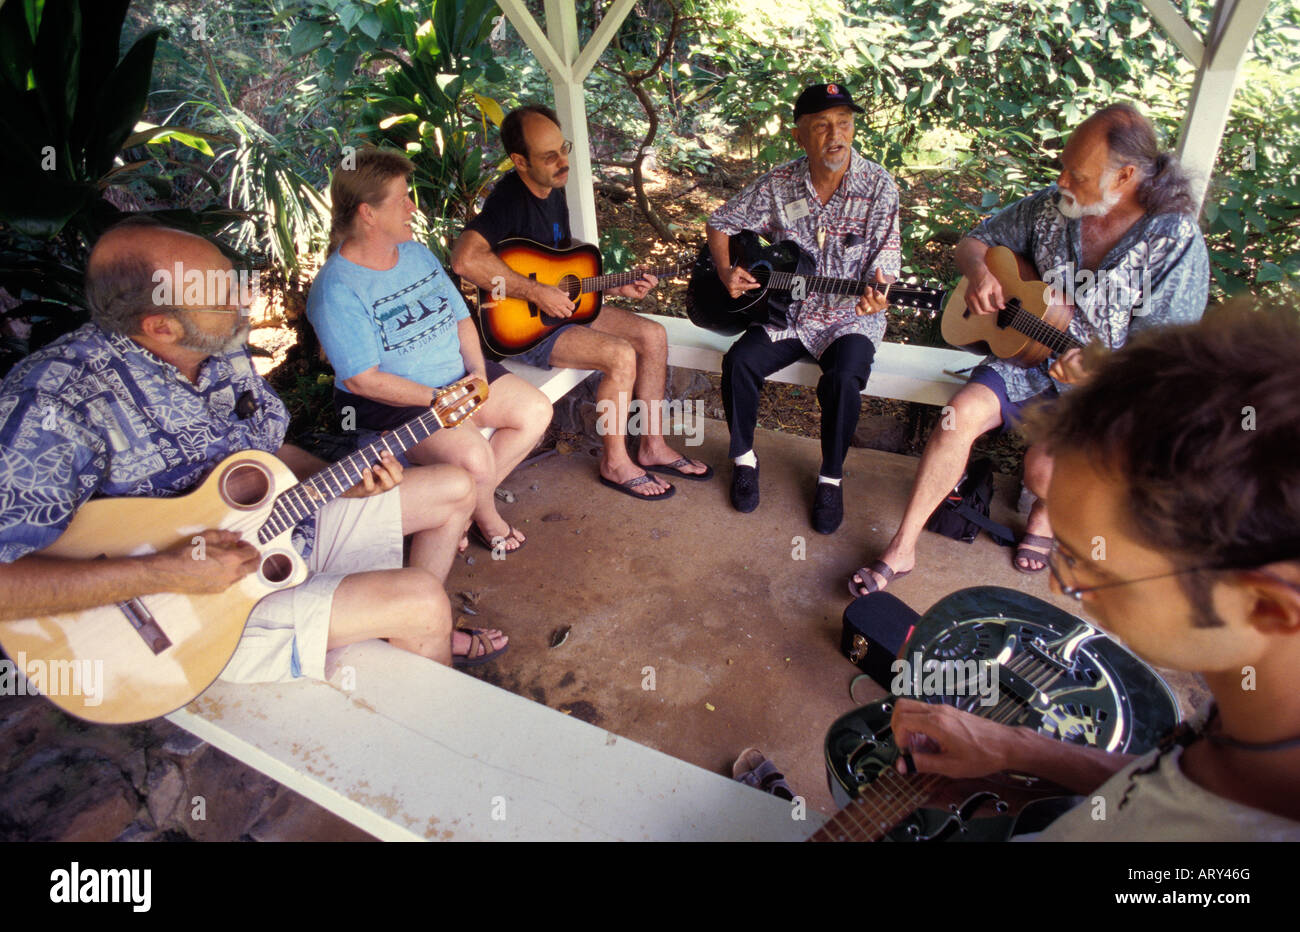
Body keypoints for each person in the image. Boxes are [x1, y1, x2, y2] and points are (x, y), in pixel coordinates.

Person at [0, 218, 508, 681]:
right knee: (421, 601)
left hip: (282, 530)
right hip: (188, 618)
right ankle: (419, 640)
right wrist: (163, 571)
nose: (245, 296)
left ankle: (401, 634)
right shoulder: (53, 403)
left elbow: (267, 452)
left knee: (455, 487)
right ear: (160, 327)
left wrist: (336, 476)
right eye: (222, 293)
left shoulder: (217, 346)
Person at [888, 304, 1300, 840]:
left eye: (1095, 569)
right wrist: (1021, 752)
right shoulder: (1260, 713)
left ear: (1266, 606)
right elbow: (1177, 782)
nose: (1062, 587)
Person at [851, 102, 1209, 594]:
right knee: (958, 416)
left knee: (1044, 474)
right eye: (1064, 165)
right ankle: (902, 545)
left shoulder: (1173, 240)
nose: (1063, 179)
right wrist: (979, 272)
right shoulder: (1052, 205)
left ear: (1125, 176)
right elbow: (974, 243)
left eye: (1077, 174)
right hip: (1024, 357)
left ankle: (1043, 513)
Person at [450, 104, 712, 502]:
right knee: (621, 355)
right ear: (519, 161)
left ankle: (652, 446)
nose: (562, 162)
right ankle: (615, 462)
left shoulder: (552, 190)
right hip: (525, 327)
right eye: (548, 155)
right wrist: (535, 293)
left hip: (564, 313)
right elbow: (465, 259)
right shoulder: (508, 200)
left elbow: (559, 267)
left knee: (653, 335)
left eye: (563, 148)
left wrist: (613, 287)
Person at [307, 147, 551, 554]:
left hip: (455, 379)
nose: (412, 206)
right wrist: (440, 401)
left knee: (535, 411)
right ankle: (484, 514)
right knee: (474, 457)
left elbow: (459, 319)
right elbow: (361, 379)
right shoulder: (337, 289)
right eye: (402, 199)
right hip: (397, 401)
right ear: (368, 213)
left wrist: (475, 372)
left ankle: (467, 508)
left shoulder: (417, 255)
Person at [706, 82, 898, 534]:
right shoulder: (780, 182)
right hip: (789, 311)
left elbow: (886, 260)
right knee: (739, 362)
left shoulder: (878, 184)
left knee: (845, 376)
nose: (837, 134)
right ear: (800, 136)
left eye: (845, 124)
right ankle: (744, 459)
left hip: (850, 315)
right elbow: (719, 223)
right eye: (823, 126)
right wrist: (725, 271)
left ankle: (831, 477)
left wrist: (878, 293)